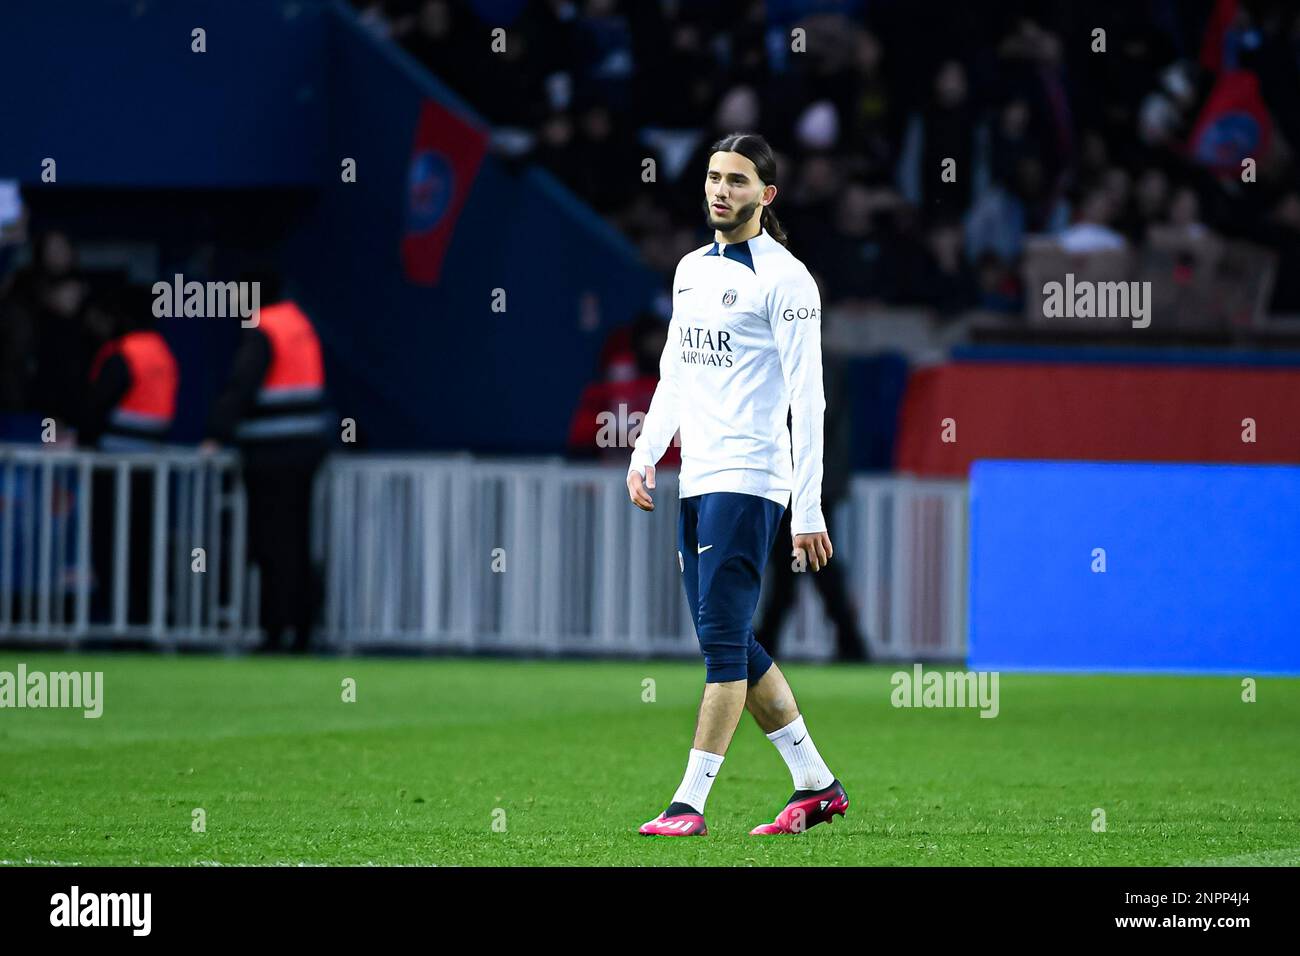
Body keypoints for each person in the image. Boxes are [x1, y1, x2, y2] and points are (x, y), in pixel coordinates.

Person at [627, 132, 848, 837]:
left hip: (752, 476)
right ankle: (816, 784)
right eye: (715, 177)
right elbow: (675, 371)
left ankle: (688, 803)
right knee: (728, 637)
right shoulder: (690, 269)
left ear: (766, 194)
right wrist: (645, 452)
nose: (721, 190)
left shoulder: (787, 279)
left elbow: (808, 399)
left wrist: (808, 509)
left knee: (722, 644)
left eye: (738, 180)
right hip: (698, 475)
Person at [204, 280, 326, 653]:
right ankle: (302, 630)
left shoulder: (264, 328)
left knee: (270, 542)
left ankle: (275, 630)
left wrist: (216, 434)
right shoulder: (299, 323)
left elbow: (242, 386)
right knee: (297, 540)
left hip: (271, 453)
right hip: (306, 449)